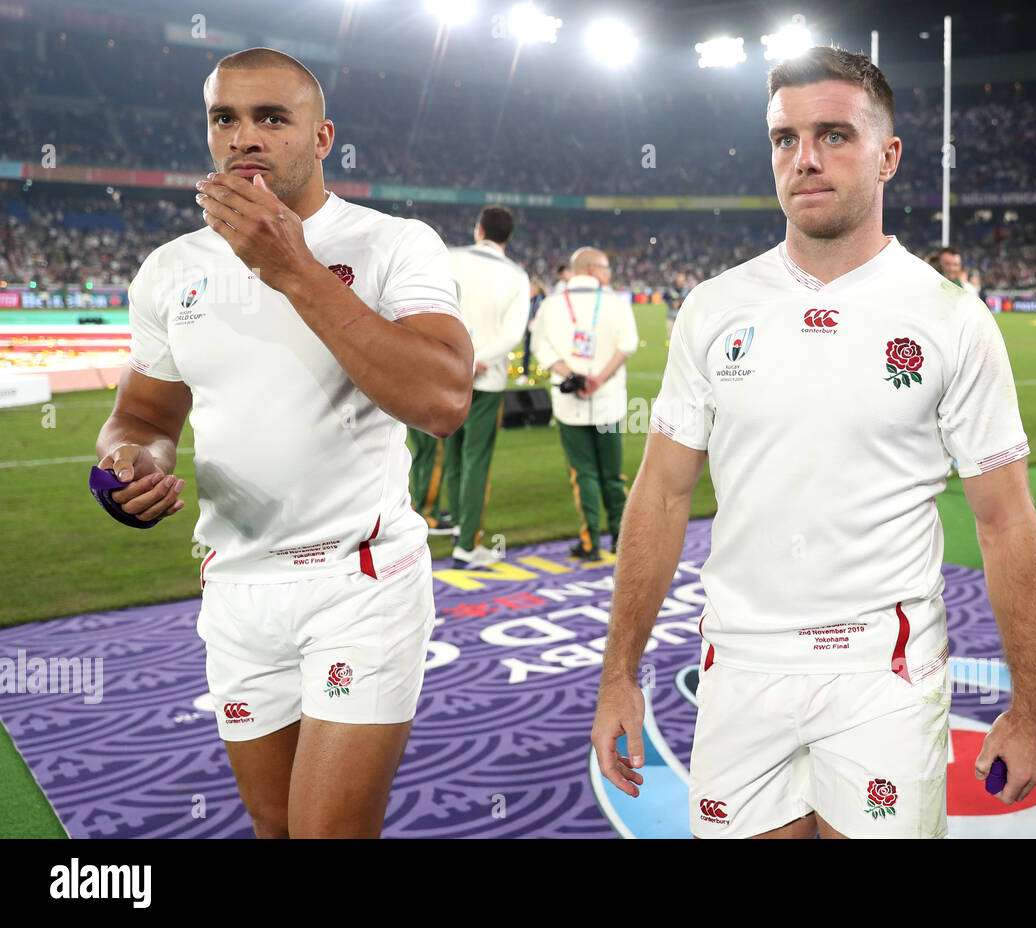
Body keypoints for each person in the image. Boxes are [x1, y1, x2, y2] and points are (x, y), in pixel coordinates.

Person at [591, 46, 1036, 839]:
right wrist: (617, 676)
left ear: (889, 156)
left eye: (834, 135)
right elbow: (663, 494)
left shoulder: (949, 319)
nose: (803, 159)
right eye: (784, 138)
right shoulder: (712, 309)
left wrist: (1033, 707)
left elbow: (1005, 520)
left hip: (883, 674)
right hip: (738, 668)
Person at [92, 48, 473, 838]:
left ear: (322, 136)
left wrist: (292, 265)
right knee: (275, 828)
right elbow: (146, 420)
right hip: (236, 586)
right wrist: (137, 467)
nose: (244, 138)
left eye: (272, 118)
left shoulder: (393, 244)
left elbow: (441, 401)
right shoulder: (169, 271)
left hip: (359, 578)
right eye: (224, 119)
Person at [530, 246, 639, 561]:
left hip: (570, 403)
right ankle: (621, 538)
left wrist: (572, 375)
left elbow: (540, 347)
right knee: (613, 474)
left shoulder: (551, 304)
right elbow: (627, 345)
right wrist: (599, 379)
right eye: (606, 268)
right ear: (592, 269)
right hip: (607, 402)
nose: (609, 274)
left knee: (583, 474)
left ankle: (590, 542)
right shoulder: (616, 302)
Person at [443, 205, 531, 568]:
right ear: (507, 237)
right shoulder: (517, 276)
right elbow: (513, 335)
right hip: (486, 376)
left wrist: (455, 356)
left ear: (478, 229)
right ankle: (466, 543)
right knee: (475, 458)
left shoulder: (449, 258)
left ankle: (456, 524)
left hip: (446, 371)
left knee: (452, 452)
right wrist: (478, 357)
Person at [664, 269, 691, 344]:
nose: (681, 282)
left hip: (682, 319)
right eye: (680, 280)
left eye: (683, 280)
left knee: (683, 341)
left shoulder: (687, 290)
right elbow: (665, 298)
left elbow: (690, 302)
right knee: (671, 339)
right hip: (671, 317)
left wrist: (680, 303)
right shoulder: (671, 290)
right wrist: (671, 303)